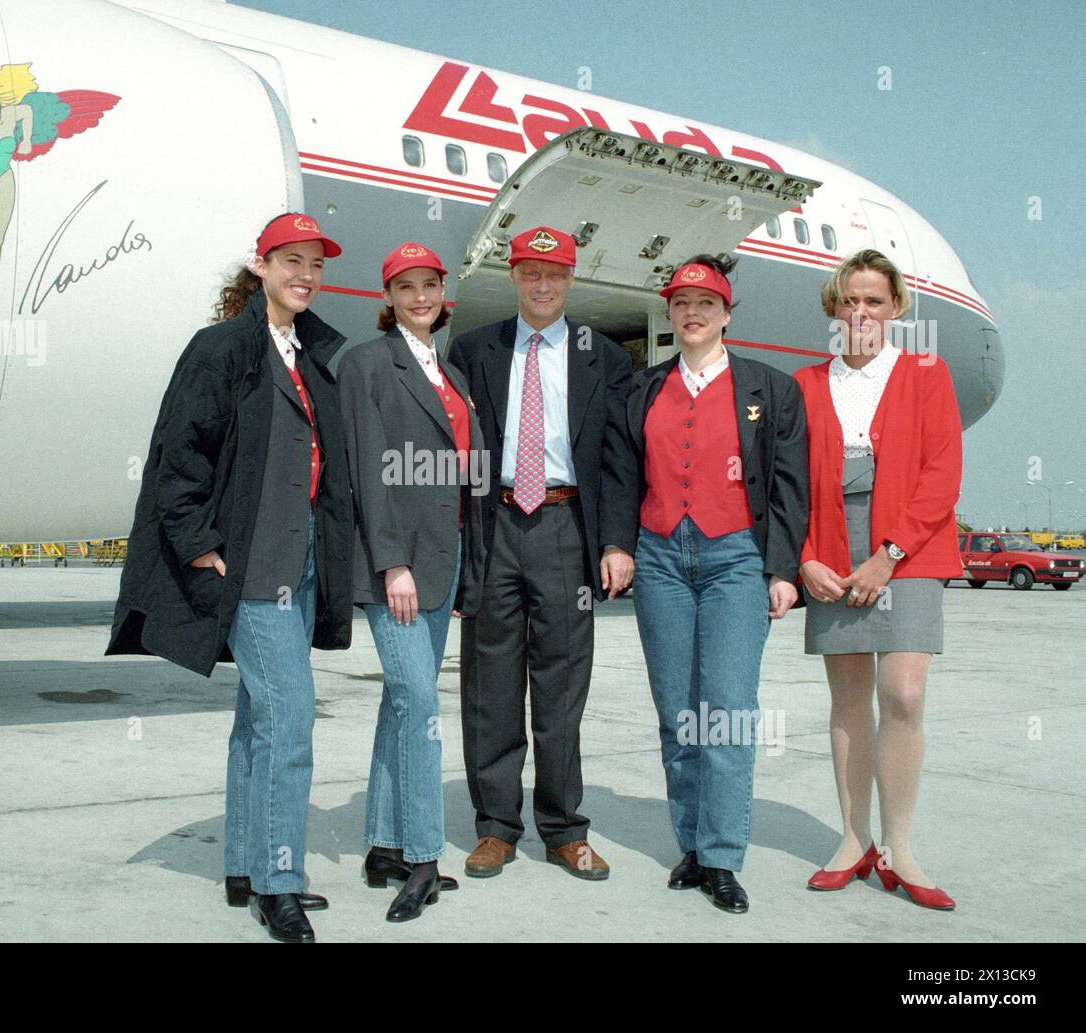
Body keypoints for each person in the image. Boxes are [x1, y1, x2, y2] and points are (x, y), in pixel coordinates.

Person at [106, 212, 355, 942]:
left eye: (315, 263)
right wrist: (198, 544)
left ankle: (246, 863)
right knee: (291, 719)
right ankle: (280, 880)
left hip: (299, 564)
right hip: (249, 568)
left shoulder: (311, 356)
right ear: (262, 266)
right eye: (292, 261)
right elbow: (179, 453)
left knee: (258, 719)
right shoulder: (222, 350)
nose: (305, 275)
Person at [446, 226, 638, 882]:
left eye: (555, 274)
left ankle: (562, 828)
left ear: (571, 279)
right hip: (494, 525)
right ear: (514, 276)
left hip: (564, 523)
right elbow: (455, 453)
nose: (543, 284)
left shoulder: (603, 357)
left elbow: (618, 462)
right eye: (531, 272)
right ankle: (496, 826)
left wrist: (615, 542)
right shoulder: (474, 349)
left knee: (560, 687)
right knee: (490, 682)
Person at [628, 254, 809, 914]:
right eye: (681, 302)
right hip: (659, 558)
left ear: (728, 314)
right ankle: (693, 845)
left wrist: (783, 570)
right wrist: (619, 548)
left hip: (736, 556)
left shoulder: (769, 388)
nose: (693, 311)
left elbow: (791, 486)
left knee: (727, 709)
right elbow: (623, 476)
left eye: (706, 302)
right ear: (670, 314)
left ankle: (725, 854)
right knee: (680, 713)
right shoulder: (644, 389)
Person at [795, 248, 962, 910]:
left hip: (910, 544)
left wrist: (889, 552)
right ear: (834, 308)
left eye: (873, 299)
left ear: (896, 307)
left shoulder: (927, 372)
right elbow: (790, 483)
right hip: (832, 544)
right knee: (848, 694)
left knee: (903, 692)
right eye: (849, 300)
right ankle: (852, 839)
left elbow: (942, 471)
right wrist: (806, 554)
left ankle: (899, 844)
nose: (860, 310)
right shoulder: (806, 384)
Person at [338, 242, 485, 921]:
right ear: (389, 295)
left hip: (442, 555)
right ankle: (424, 856)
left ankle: (383, 841)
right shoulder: (368, 364)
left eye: (429, 284)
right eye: (406, 286)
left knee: (401, 702)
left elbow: (465, 479)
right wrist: (391, 560)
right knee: (420, 704)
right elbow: (370, 468)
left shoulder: (449, 374)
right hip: (394, 562)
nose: (420, 296)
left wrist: (463, 567)